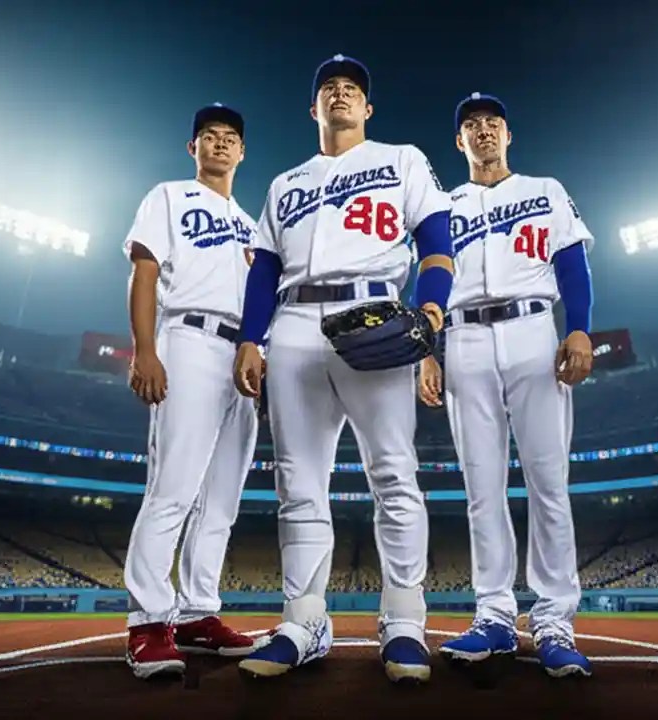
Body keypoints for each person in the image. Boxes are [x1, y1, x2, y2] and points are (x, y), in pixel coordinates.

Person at [231, 55, 454, 684]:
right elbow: (265, 269)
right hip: (294, 323)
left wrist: (432, 307)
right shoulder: (283, 183)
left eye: (352, 88)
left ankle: (405, 621)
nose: (340, 93)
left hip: (373, 312)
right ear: (313, 109)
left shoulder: (402, 157)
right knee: (298, 483)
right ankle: (303, 621)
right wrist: (252, 338)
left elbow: (437, 239)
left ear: (367, 108)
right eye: (328, 87)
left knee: (393, 473)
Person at [420, 93, 595, 678]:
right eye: (471, 125)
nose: (483, 130)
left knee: (548, 480)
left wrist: (580, 331)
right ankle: (493, 614)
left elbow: (572, 263)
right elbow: (430, 281)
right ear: (459, 142)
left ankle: (553, 618)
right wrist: (428, 351)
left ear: (508, 134)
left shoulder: (543, 189)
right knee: (482, 487)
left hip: (531, 331)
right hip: (464, 339)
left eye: (493, 122)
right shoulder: (442, 206)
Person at [122, 103, 264, 679]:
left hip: (243, 355)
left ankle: (198, 613)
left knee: (222, 502)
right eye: (210, 136)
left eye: (231, 137)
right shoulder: (168, 197)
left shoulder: (253, 224)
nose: (222, 144)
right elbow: (145, 270)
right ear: (194, 148)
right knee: (173, 488)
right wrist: (145, 348)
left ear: (243, 151)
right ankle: (149, 621)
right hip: (189, 339)